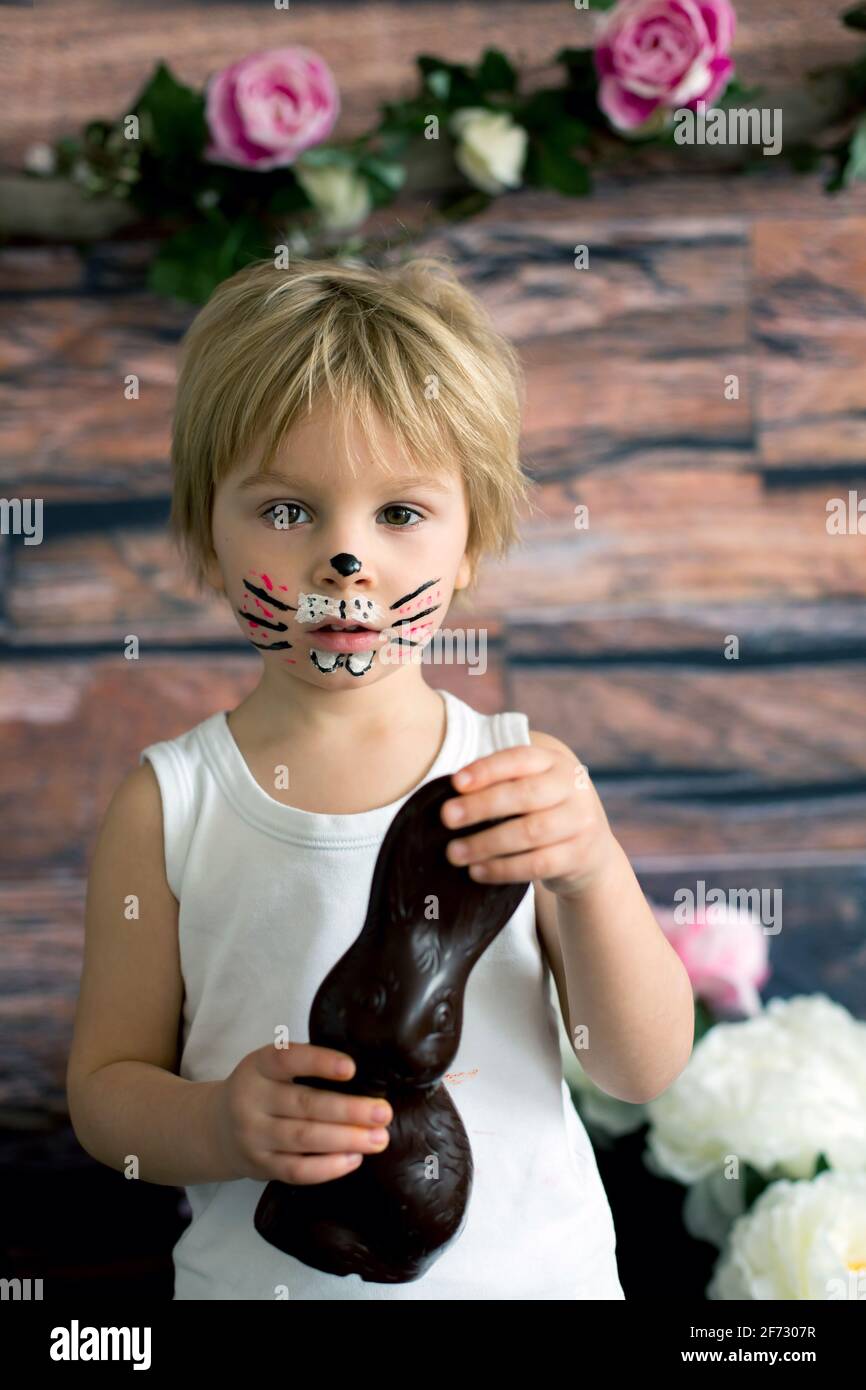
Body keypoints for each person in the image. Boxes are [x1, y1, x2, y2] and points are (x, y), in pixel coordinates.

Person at [67, 255, 693, 1300]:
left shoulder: (517, 784)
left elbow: (640, 1066)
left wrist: (589, 876)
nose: (343, 559)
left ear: (468, 546)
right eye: (285, 511)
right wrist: (217, 1121)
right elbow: (105, 1097)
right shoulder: (171, 805)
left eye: (398, 513)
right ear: (206, 536)